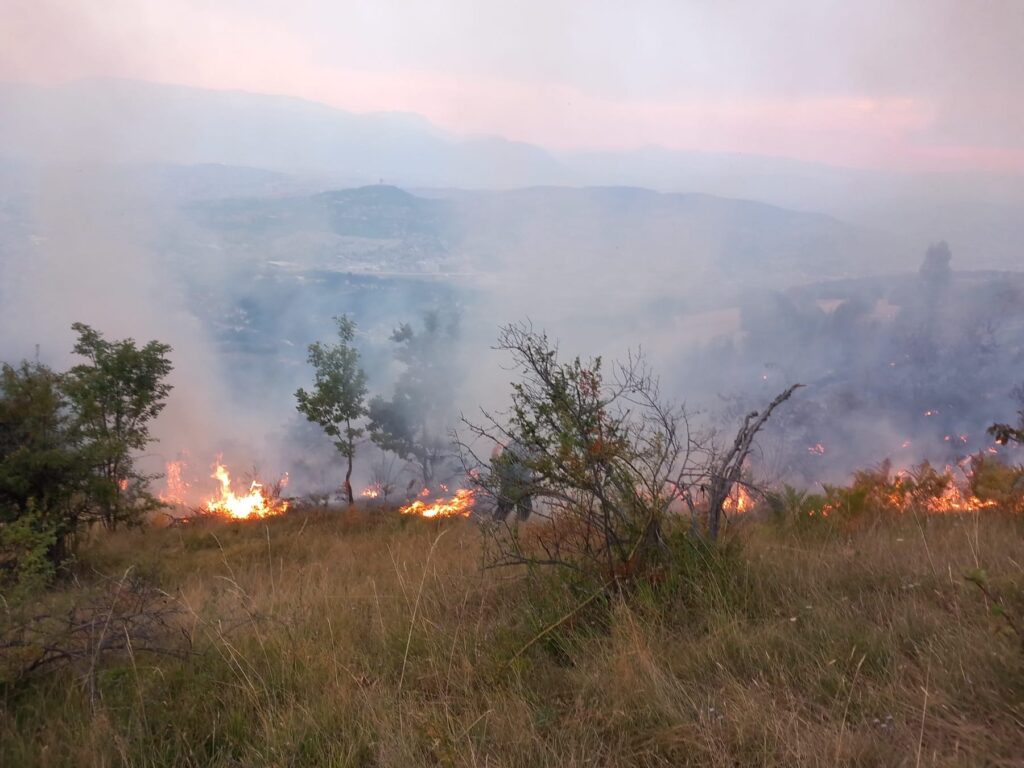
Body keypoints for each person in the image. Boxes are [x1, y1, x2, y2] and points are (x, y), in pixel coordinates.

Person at [491, 439, 533, 521]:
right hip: (512, 487)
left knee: (524, 509)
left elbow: (526, 470)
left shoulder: (516, 450)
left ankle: (517, 528)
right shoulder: (510, 451)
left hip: (519, 488)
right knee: (504, 508)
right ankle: (493, 529)